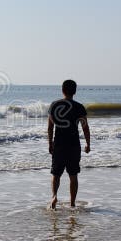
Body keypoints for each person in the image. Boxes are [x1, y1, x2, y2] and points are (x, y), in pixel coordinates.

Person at [47, 80, 90, 209]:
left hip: (59, 145)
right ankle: (72, 203)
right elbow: (85, 127)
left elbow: (50, 127)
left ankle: (54, 196)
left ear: (62, 90)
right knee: (73, 175)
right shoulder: (79, 107)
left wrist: (50, 143)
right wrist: (88, 144)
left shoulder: (54, 105)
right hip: (73, 146)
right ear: (75, 91)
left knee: (56, 174)